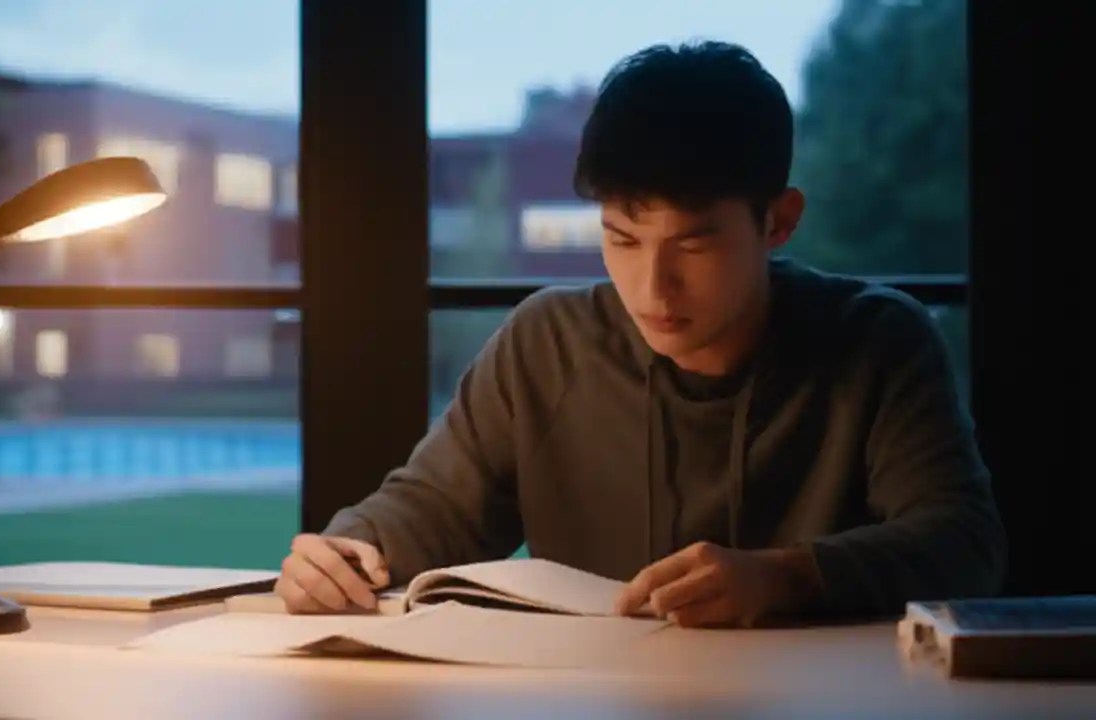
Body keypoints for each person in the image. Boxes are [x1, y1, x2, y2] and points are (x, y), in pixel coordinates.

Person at [273, 40, 1006, 627]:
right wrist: (349, 547)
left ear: (778, 221)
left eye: (693, 246)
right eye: (622, 238)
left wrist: (789, 576)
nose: (651, 289)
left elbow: (963, 544)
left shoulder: (877, 341)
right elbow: (434, 508)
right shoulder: (549, 341)